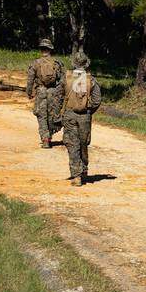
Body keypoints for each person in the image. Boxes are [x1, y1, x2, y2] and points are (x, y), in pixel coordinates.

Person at [61, 50, 101, 186]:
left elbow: (58, 95)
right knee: (84, 143)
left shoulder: (66, 78)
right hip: (85, 116)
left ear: (73, 63)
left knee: (72, 144)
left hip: (70, 114)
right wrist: (89, 110)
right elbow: (97, 100)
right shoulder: (91, 80)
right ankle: (84, 169)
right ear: (86, 64)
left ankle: (76, 175)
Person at [26, 38, 65, 148]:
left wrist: (29, 92)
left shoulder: (35, 63)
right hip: (54, 92)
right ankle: (52, 134)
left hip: (41, 92)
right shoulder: (57, 63)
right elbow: (63, 81)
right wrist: (61, 94)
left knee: (41, 115)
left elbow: (30, 80)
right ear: (50, 49)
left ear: (41, 49)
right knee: (52, 115)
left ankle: (45, 139)